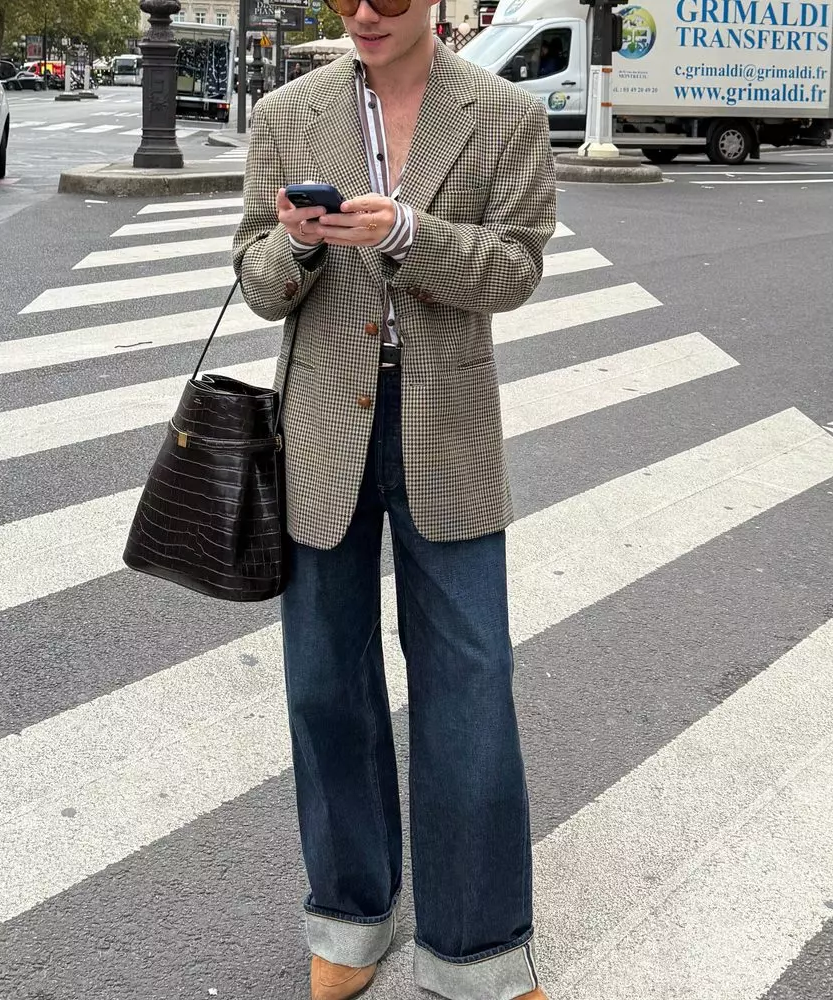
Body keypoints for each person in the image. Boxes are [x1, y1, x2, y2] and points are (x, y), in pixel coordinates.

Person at [232, 0, 556, 995]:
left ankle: (479, 950)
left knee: (468, 682)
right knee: (324, 682)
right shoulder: (287, 112)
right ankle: (348, 918)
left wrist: (409, 232)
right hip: (324, 427)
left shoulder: (505, 115)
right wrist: (296, 243)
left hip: (446, 426)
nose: (366, 12)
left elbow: (515, 269)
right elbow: (254, 278)